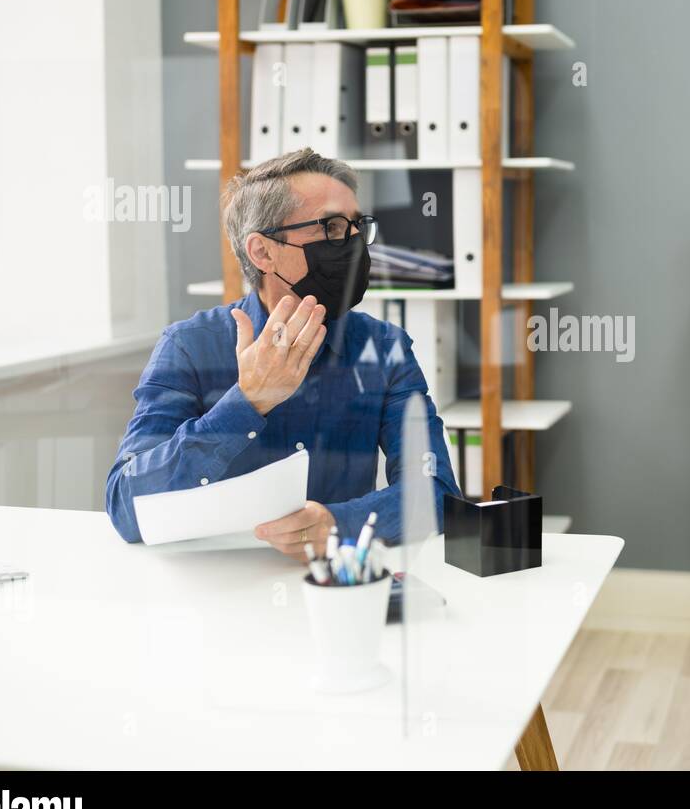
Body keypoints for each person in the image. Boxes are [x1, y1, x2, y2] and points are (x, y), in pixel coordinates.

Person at [106, 149, 460, 556]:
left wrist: (337, 523)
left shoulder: (382, 349)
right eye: (330, 227)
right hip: (216, 593)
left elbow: (436, 493)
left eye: (357, 227)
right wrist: (246, 403)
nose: (352, 244)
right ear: (262, 252)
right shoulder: (188, 346)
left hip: (337, 588)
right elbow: (126, 507)